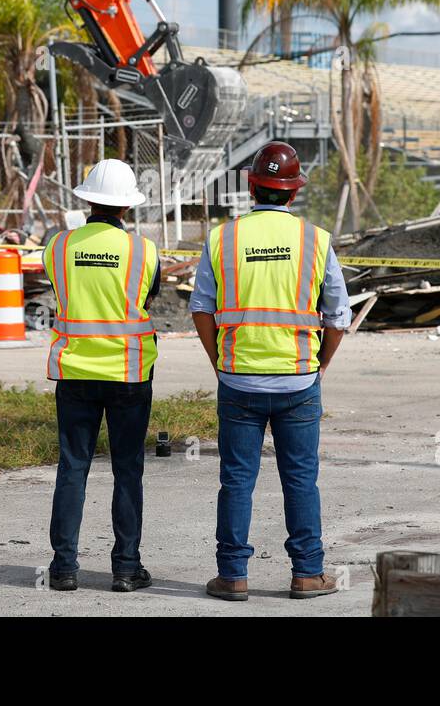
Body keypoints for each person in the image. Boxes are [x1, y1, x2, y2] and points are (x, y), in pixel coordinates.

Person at [189, 141, 350, 602]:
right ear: (294, 192)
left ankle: (233, 576)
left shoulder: (222, 238)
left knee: (236, 479)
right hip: (299, 381)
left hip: (238, 378)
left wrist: (219, 360)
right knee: (300, 479)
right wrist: (318, 365)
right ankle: (307, 574)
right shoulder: (316, 240)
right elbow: (338, 317)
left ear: (250, 185)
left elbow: (201, 309)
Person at [43, 159, 160, 593]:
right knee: (128, 470)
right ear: (127, 207)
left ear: (88, 199)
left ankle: (64, 568)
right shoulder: (144, 251)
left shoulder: (58, 247)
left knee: (73, 467)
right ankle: (126, 569)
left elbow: (60, 292)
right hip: (129, 374)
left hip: (75, 374)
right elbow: (149, 295)